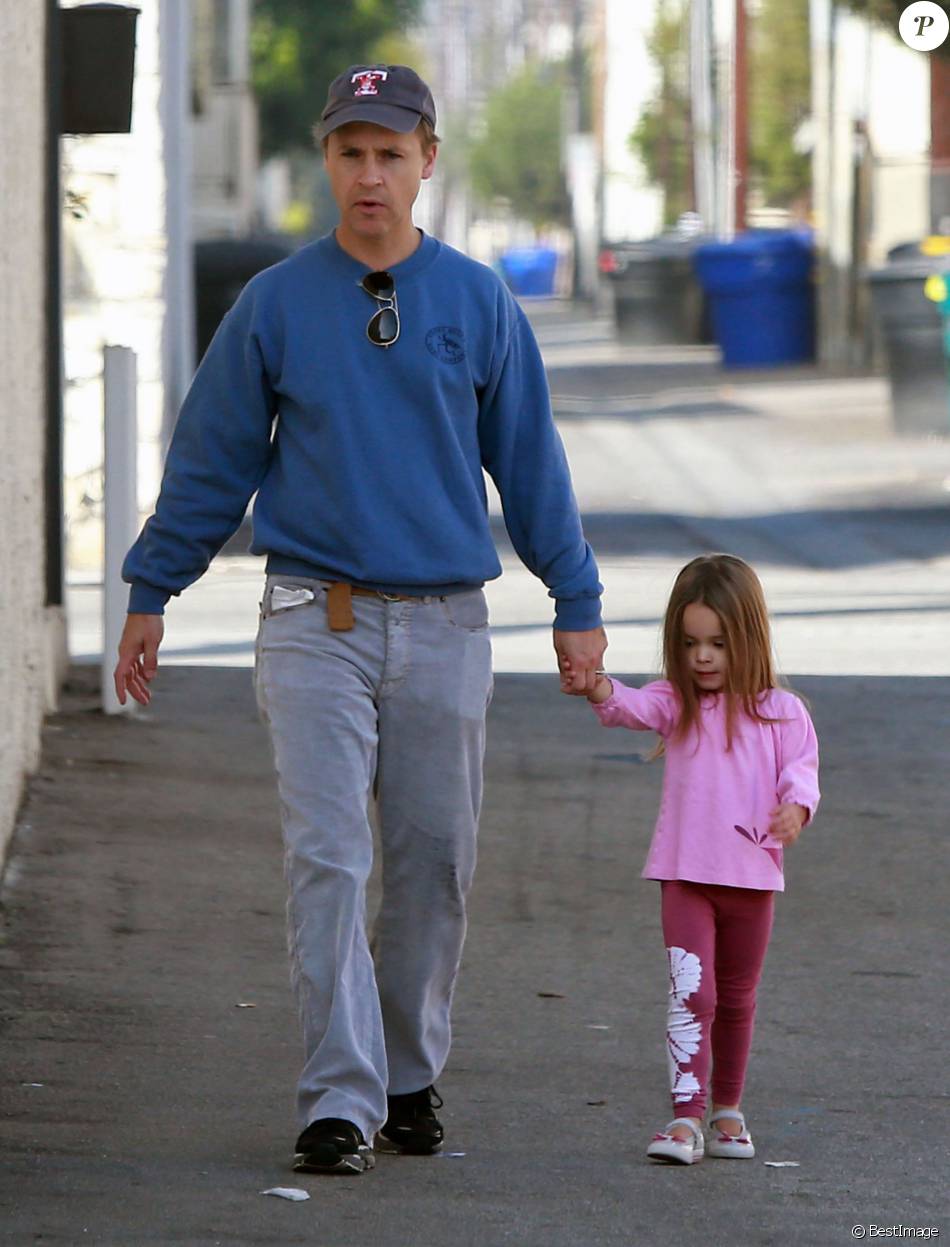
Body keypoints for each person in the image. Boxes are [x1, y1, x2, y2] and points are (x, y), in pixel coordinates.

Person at [113, 63, 606, 1175]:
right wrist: (153, 587)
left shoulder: (477, 301)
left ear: (427, 159)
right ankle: (338, 1097)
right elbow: (211, 465)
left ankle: (406, 1074)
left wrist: (574, 602)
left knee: (434, 861)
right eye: (349, 152)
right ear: (327, 163)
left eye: (390, 152)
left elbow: (530, 468)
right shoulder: (275, 303)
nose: (369, 173)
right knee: (328, 857)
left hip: (445, 623)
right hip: (311, 621)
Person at [564, 554, 818, 1165]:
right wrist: (596, 682)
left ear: (750, 639)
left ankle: (727, 1111)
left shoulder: (782, 712)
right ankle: (685, 1116)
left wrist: (796, 810)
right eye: (689, 643)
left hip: (752, 880)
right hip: (684, 878)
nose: (703, 657)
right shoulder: (675, 702)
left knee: (736, 997)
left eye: (719, 643)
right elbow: (630, 707)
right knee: (690, 994)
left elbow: (802, 775)